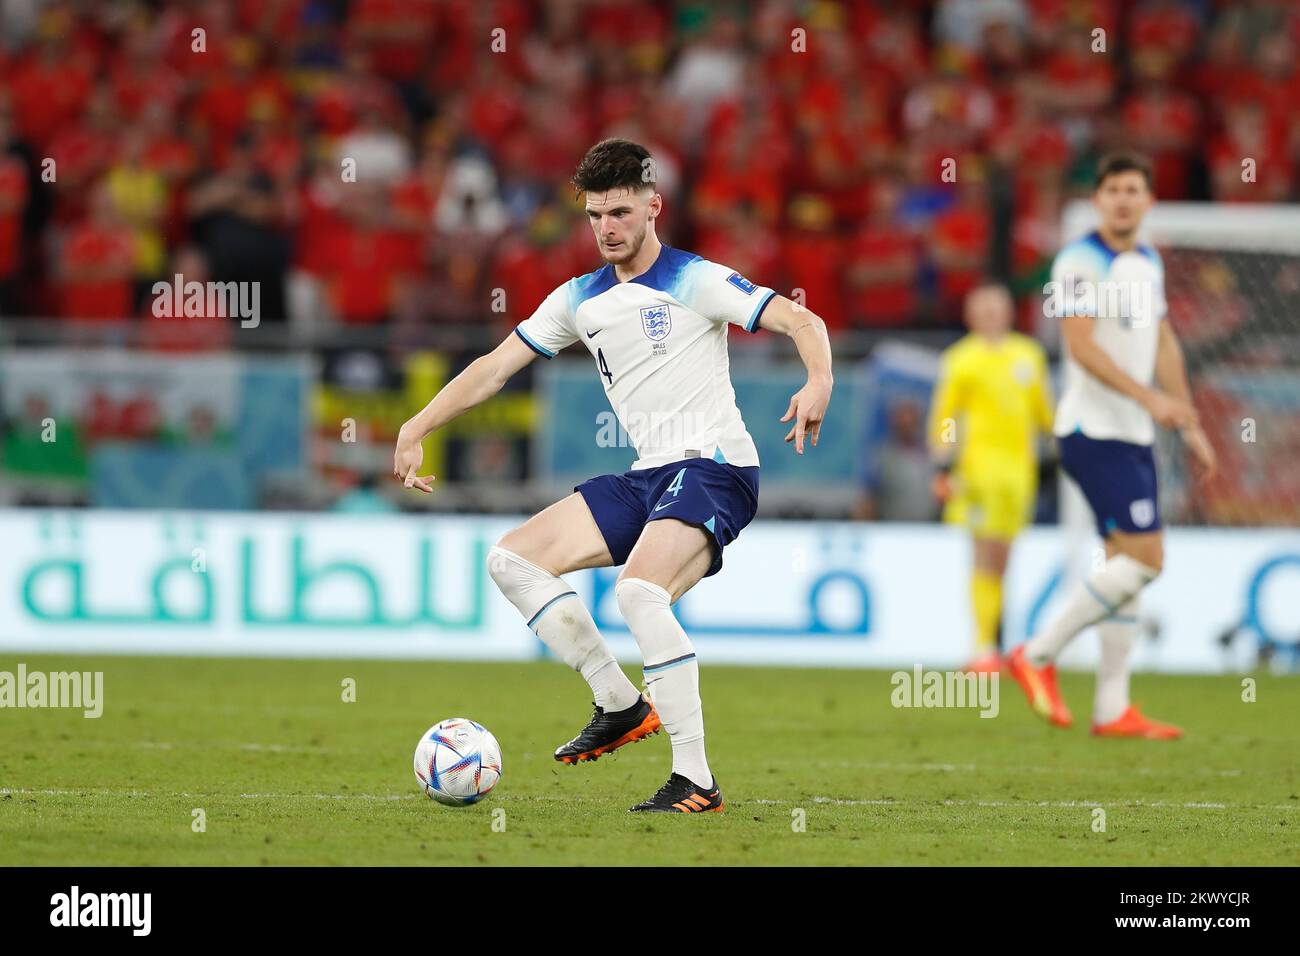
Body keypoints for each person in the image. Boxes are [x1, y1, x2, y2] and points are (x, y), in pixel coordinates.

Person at [393, 139, 834, 811]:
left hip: (715, 466)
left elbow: (802, 318)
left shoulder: (697, 279)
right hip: (650, 474)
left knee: (637, 595)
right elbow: (494, 368)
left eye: (621, 213)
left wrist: (818, 380)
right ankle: (620, 704)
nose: (607, 228)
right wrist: (417, 425)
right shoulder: (579, 299)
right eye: (596, 215)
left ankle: (696, 781)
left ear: (653, 207)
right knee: (511, 561)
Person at [1005, 152, 1216, 739]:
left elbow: (1166, 341)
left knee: (1128, 565)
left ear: (1149, 201)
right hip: (1093, 433)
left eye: (1134, 190)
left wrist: (1189, 422)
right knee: (1148, 561)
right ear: (1098, 200)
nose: (1124, 199)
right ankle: (1037, 654)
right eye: (1114, 189)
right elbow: (1081, 348)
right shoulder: (1078, 261)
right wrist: (1152, 401)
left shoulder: (1147, 261)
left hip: (1133, 433)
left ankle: (1112, 708)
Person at [928, 281, 1053, 673]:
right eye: (982, 310)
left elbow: (1043, 412)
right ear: (970, 316)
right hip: (978, 473)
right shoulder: (961, 359)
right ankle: (983, 649)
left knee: (1004, 559)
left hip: (1019, 474)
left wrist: (1067, 441)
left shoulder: (1028, 355)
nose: (990, 316)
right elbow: (946, 417)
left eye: (996, 309)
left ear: (1009, 312)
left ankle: (996, 644)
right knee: (984, 555)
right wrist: (944, 463)